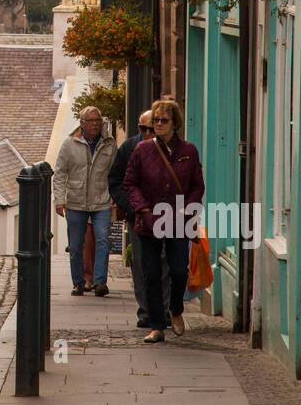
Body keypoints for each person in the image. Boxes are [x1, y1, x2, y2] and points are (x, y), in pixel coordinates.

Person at [123, 97, 205, 344]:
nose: (158, 124)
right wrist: (143, 208)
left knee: (179, 270)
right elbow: (130, 182)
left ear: (174, 123)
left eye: (163, 120)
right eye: (155, 120)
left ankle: (176, 308)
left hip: (177, 221)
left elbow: (197, 186)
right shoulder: (143, 150)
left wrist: (186, 209)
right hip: (149, 221)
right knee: (150, 273)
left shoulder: (188, 151)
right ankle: (157, 325)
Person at [108, 109, 170, 328]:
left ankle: (162, 310)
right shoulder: (128, 148)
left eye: (150, 129)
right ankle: (146, 312)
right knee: (142, 264)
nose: (145, 132)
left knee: (164, 263)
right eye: (141, 128)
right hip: (139, 217)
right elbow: (115, 180)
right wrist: (131, 206)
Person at [52, 106, 118, 297]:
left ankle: (99, 282)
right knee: (75, 244)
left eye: (98, 120)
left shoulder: (109, 143)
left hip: (101, 201)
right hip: (75, 202)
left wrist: (114, 194)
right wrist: (59, 200)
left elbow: (114, 172)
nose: (96, 124)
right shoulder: (69, 144)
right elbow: (60, 173)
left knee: (103, 239)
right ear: (82, 123)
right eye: (91, 121)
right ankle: (79, 282)